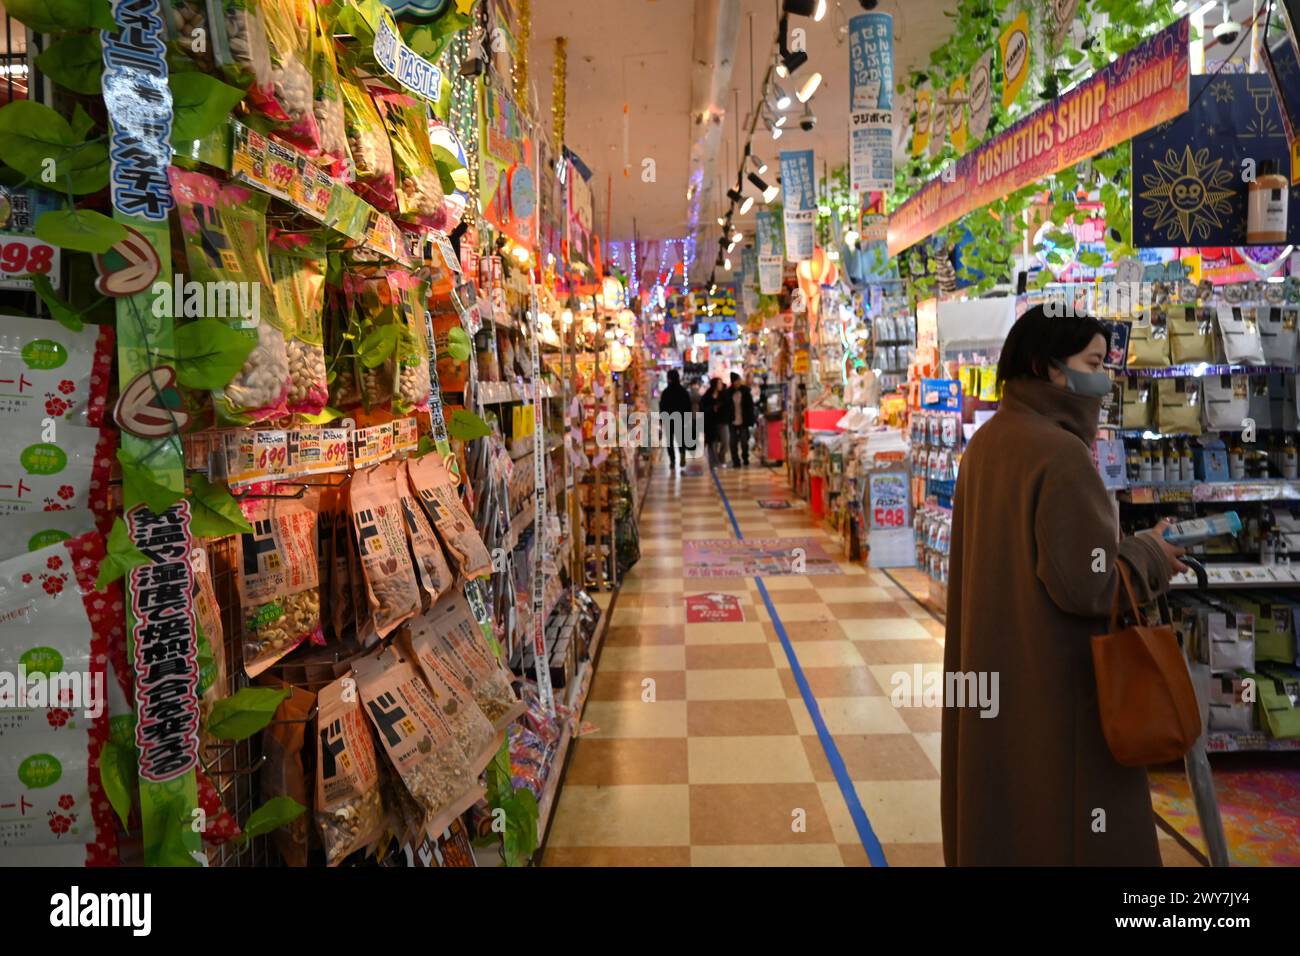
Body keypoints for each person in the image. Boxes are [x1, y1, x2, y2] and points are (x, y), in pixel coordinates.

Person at [941, 306, 1188, 867]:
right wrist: (1149, 553)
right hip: (1056, 695)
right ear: (1046, 366)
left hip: (996, 680)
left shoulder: (988, 443)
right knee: (1069, 825)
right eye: (1094, 363)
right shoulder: (1060, 455)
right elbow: (1089, 586)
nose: (1105, 379)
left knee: (1002, 814)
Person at [658, 369, 693, 471]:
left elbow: (662, 406)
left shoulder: (666, 392)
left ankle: (672, 460)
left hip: (668, 420)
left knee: (669, 442)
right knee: (680, 439)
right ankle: (682, 454)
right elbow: (688, 406)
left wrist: (661, 419)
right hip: (680, 420)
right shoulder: (683, 392)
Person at [728, 372, 756, 467]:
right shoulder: (728, 393)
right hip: (732, 421)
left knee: (744, 441)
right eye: (736, 380)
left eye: (739, 380)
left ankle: (745, 457)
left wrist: (751, 419)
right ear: (733, 382)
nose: (738, 382)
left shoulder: (745, 392)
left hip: (743, 421)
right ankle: (735, 460)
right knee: (733, 442)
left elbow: (750, 407)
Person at [703, 377, 727, 468]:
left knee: (725, 442)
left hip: (722, 421)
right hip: (711, 423)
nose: (721, 385)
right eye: (719, 383)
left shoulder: (724, 395)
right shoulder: (707, 396)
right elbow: (703, 408)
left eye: (721, 383)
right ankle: (714, 462)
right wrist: (712, 409)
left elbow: (728, 406)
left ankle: (721, 459)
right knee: (713, 443)